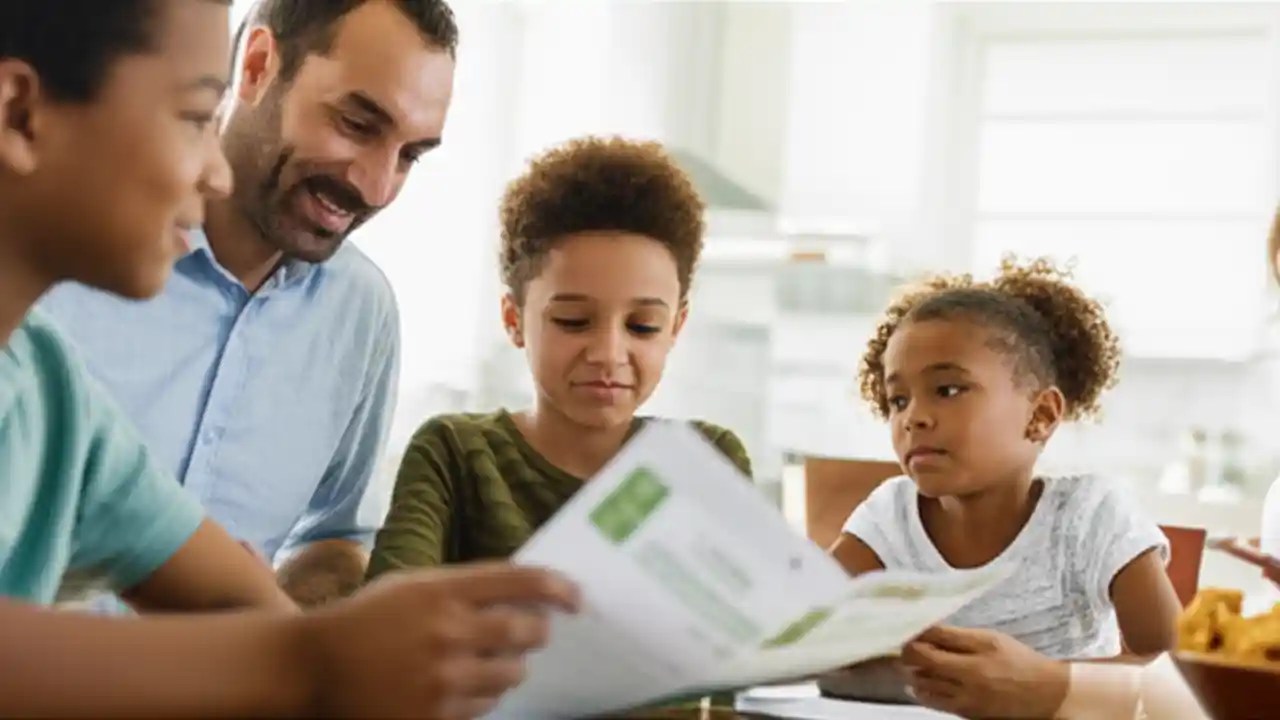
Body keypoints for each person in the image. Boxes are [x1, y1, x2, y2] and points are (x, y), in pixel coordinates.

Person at [0, 0, 578, 715]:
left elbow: (228, 587)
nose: (212, 173)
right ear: (20, 115)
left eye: (410, 156)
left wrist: (361, 645)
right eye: (190, 116)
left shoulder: (54, 392)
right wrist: (316, 661)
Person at [38, 0, 460, 607]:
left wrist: (300, 620)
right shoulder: (63, 259)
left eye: (410, 155)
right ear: (259, 65)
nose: (377, 185)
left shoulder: (361, 315)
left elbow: (334, 535)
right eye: (357, 124)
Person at [366, 136, 753, 574]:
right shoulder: (456, 455)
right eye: (573, 320)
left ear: (675, 328)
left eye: (642, 327)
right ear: (513, 319)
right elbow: (388, 617)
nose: (609, 353)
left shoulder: (705, 459)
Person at [828, 258, 1182, 715]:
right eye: (898, 399)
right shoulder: (888, 516)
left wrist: (1045, 684)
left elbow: (1179, 673)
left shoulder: (1091, 515)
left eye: (948, 390)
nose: (913, 416)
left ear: (1040, 416)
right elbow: (805, 637)